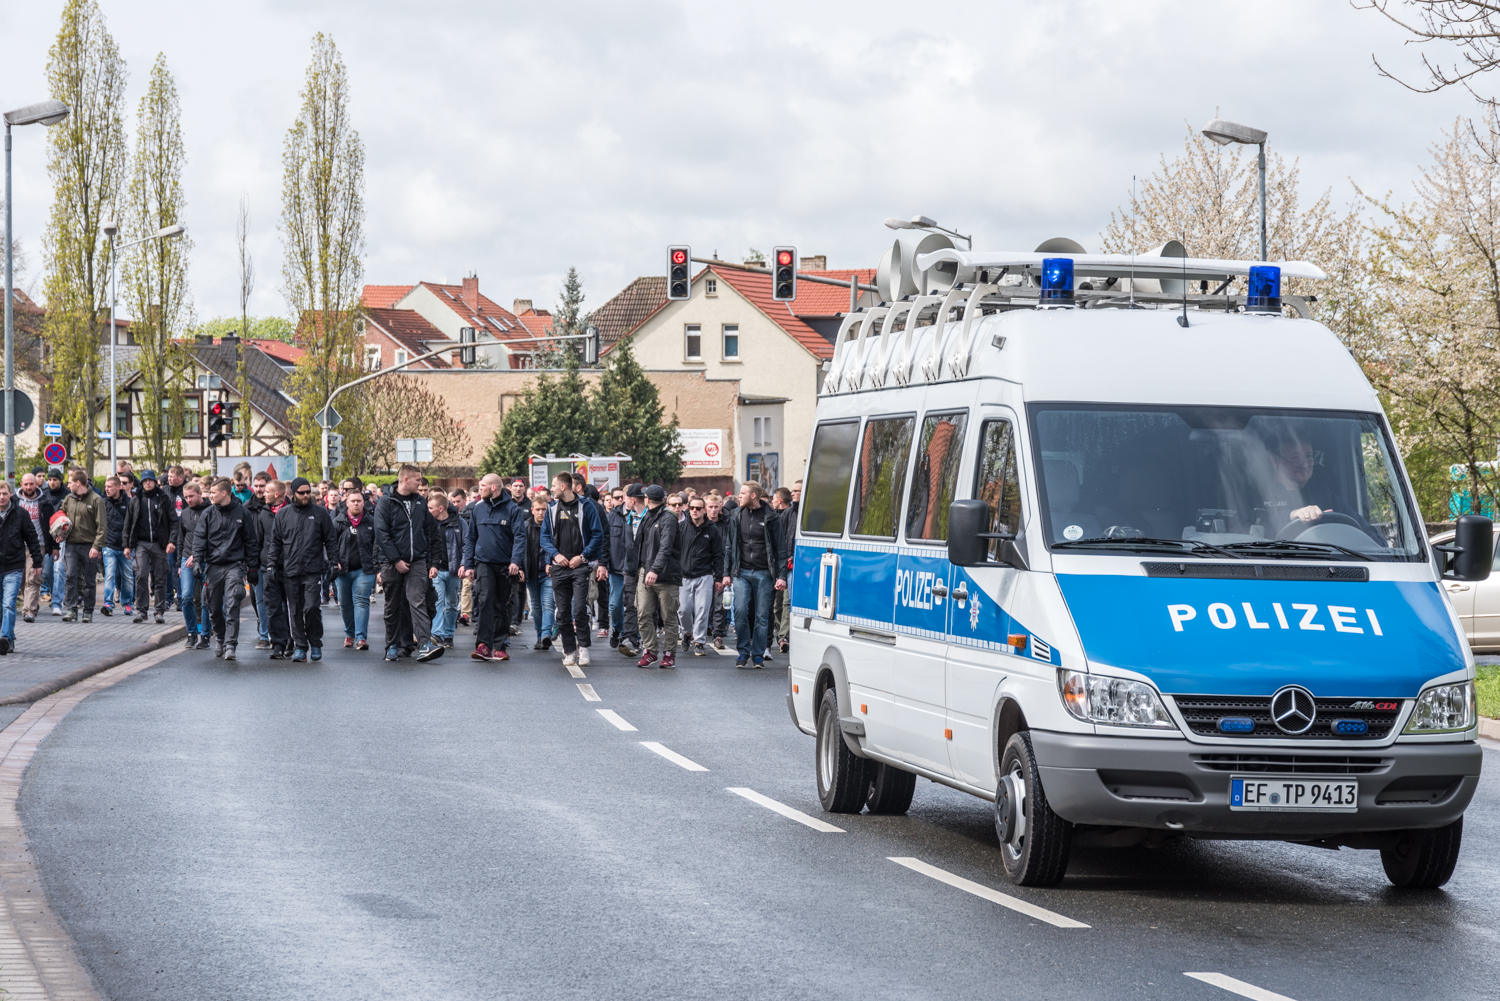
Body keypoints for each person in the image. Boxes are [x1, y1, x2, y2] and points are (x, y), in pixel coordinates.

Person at [374, 464, 444, 663]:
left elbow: (432, 534)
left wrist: (434, 562)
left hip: (417, 562)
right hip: (391, 563)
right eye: (418, 480)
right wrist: (396, 560)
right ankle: (391, 646)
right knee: (392, 605)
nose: (421, 484)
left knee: (418, 601)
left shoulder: (421, 503)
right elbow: (381, 534)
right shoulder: (386, 502)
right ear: (406, 480)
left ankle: (424, 645)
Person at [539, 471, 604, 669]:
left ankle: (584, 646)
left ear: (563, 487)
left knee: (579, 609)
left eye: (553, 485)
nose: (551, 488)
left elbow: (597, 535)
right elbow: (545, 537)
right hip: (560, 567)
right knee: (563, 612)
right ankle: (569, 650)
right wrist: (555, 555)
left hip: (580, 567)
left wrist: (583, 557)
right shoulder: (551, 509)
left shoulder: (587, 506)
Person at [267, 477, 336, 662]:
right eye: (301, 492)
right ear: (293, 493)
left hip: (313, 570)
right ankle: (300, 646)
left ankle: (315, 642)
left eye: (308, 492)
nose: (306, 495)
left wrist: (333, 563)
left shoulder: (320, 513)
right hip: (290, 571)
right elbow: (275, 543)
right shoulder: (283, 515)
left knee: (312, 607)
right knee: (295, 610)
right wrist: (272, 564)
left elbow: (330, 540)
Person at [460, 473, 524, 663]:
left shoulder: (512, 509)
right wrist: (468, 564)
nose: (479, 488)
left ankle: (499, 646)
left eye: (483, 485)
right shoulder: (478, 509)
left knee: (502, 605)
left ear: (494, 487)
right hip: (483, 563)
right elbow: (471, 538)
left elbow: (520, 537)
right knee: (485, 599)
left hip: (505, 565)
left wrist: (515, 561)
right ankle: (484, 645)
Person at [193, 477, 259, 661]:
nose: (210, 496)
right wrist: (197, 561)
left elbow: (250, 541)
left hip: (235, 566)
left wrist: (252, 567)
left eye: (213, 493)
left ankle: (231, 645)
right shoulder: (208, 514)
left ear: (224, 493)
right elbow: (199, 539)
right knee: (212, 607)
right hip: (213, 566)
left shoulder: (242, 513)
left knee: (232, 605)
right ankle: (220, 637)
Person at [723, 480, 787, 669]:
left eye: (742, 493)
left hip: (764, 574)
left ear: (753, 496)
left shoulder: (771, 518)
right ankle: (743, 652)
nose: (738, 496)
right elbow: (729, 547)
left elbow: (781, 549)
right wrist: (726, 573)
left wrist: (781, 575)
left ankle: (758, 654)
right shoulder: (735, 516)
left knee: (761, 616)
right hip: (741, 572)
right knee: (740, 612)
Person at [634, 485, 681, 668]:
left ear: (648, 498)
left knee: (668, 616)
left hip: (666, 575)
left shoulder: (668, 517)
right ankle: (650, 651)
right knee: (643, 612)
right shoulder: (647, 515)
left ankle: (669, 654)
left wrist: (655, 569)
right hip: (645, 572)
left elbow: (666, 547)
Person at [123, 470, 177, 625]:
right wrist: (126, 545)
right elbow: (127, 524)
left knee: (160, 577)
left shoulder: (163, 499)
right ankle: (141, 610)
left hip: (160, 544)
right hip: (141, 543)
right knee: (140, 574)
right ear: (142, 483)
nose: (148, 483)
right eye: (145, 480)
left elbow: (174, 522)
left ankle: (159, 611)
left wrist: (171, 541)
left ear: (155, 482)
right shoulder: (135, 500)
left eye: (151, 480)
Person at [0, 481, 43, 655]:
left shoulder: (20, 514)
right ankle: (9, 635)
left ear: (11, 494)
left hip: (13, 566)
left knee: (9, 604)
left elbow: (32, 538)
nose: (1, 497)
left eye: (4, 493)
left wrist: (37, 562)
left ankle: (5, 639)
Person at [677, 495, 723, 657]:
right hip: (684, 575)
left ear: (704, 510)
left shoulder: (712, 529)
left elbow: (718, 555)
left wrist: (719, 578)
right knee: (683, 610)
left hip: (705, 575)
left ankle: (699, 642)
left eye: (698, 508)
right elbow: (674, 552)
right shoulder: (681, 528)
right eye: (691, 508)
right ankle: (687, 633)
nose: (694, 511)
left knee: (703, 610)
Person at [332, 487, 377, 650]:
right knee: (345, 603)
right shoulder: (337, 521)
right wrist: (333, 560)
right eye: (353, 501)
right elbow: (329, 544)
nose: (356, 504)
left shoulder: (372, 521)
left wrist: (378, 566)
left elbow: (378, 544)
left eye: (359, 501)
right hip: (342, 570)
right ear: (347, 502)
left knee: (361, 601)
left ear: (364, 503)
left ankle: (361, 637)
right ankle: (349, 634)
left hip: (364, 570)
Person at [59, 470, 106, 624]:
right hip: (71, 545)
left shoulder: (96, 500)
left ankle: (88, 611)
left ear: (78, 483)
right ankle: (71, 609)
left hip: (89, 546)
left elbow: (102, 527)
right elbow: (61, 517)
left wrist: (96, 546)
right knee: (70, 576)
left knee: (89, 580)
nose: (68, 485)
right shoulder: (68, 499)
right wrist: (59, 532)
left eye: (70, 482)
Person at [172, 481, 212, 650]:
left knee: (205, 600)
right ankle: (191, 633)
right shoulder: (186, 513)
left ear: (200, 494)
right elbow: (181, 538)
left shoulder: (210, 511)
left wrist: (198, 555)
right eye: (186, 497)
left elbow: (212, 538)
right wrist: (180, 562)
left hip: (205, 559)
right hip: (186, 559)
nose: (188, 500)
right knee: (186, 597)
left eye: (191, 496)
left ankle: (205, 635)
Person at [255, 480, 292, 658]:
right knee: (273, 607)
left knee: (293, 607)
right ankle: (278, 644)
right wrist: (253, 567)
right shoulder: (263, 514)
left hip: (291, 567)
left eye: (267, 491)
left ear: (277, 494)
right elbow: (257, 541)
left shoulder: (294, 511)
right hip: (268, 568)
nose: (263, 494)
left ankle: (293, 641)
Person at [14, 473, 55, 624]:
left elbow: (51, 525)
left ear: (36, 484)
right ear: (21, 484)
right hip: (17, 545)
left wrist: (54, 547)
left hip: (38, 544)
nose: (29, 487)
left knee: (33, 577)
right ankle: (30, 604)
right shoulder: (14, 501)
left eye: (31, 484)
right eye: (26, 484)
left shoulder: (45, 502)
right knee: (22, 580)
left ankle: (29, 611)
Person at [519, 492, 556, 650]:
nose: (541, 513)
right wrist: (520, 568)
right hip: (531, 572)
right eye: (538, 509)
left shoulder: (553, 527)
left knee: (548, 604)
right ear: (532, 510)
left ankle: (546, 634)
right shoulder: (525, 526)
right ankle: (540, 635)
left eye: (544, 509)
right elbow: (519, 549)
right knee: (536, 607)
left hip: (548, 573)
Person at [429, 489, 464, 649]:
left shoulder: (459, 522)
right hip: (436, 570)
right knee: (437, 601)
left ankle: (448, 634)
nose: (428, 511)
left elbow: (466, 544)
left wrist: (464, 564)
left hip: (453, 570)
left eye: (431, 508)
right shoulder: (429, 524)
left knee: (451, 604)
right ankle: (437, 633)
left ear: (441, 508)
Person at [99, 476, 133, 617]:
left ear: (119, 487)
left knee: (127, 576)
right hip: (109, 545)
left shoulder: (129, 503)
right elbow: (99, 525)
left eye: (110, 486)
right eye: (106, 486)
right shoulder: (103, 503)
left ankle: (128, 603)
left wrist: (129, 545)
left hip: (125, 547)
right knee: (110, 575)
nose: (106, 489)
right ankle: (108, 603)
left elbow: (131, 525)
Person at [770, 486, 796, 654]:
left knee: (786, 601)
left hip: (789, 564)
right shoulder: (774, 516)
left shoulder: (791, 514)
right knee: (777, 604)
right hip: (777, 565)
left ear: (779, 500)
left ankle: (784, 636)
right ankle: (780, 635)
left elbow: (785, 541)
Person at [704, 492, 731, 649]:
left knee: (720, 603)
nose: (713, 510)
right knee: (704, 603)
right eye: (710, 507)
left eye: (716, 507)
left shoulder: (727, 523)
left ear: (721, 506)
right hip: (704, 568)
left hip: (722, 566)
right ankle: (703, 628)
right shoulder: (701, 523)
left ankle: (718, 634)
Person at [42, 468, 68, 615]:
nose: (52, 482)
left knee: (59, 569)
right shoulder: (44, 495)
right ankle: (54, 593)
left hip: (62, 538)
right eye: (50, 480)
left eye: (55, 480)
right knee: (47, 572)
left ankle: (57, 602)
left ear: (60, 480)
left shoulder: (68, 496)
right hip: (47, 538)